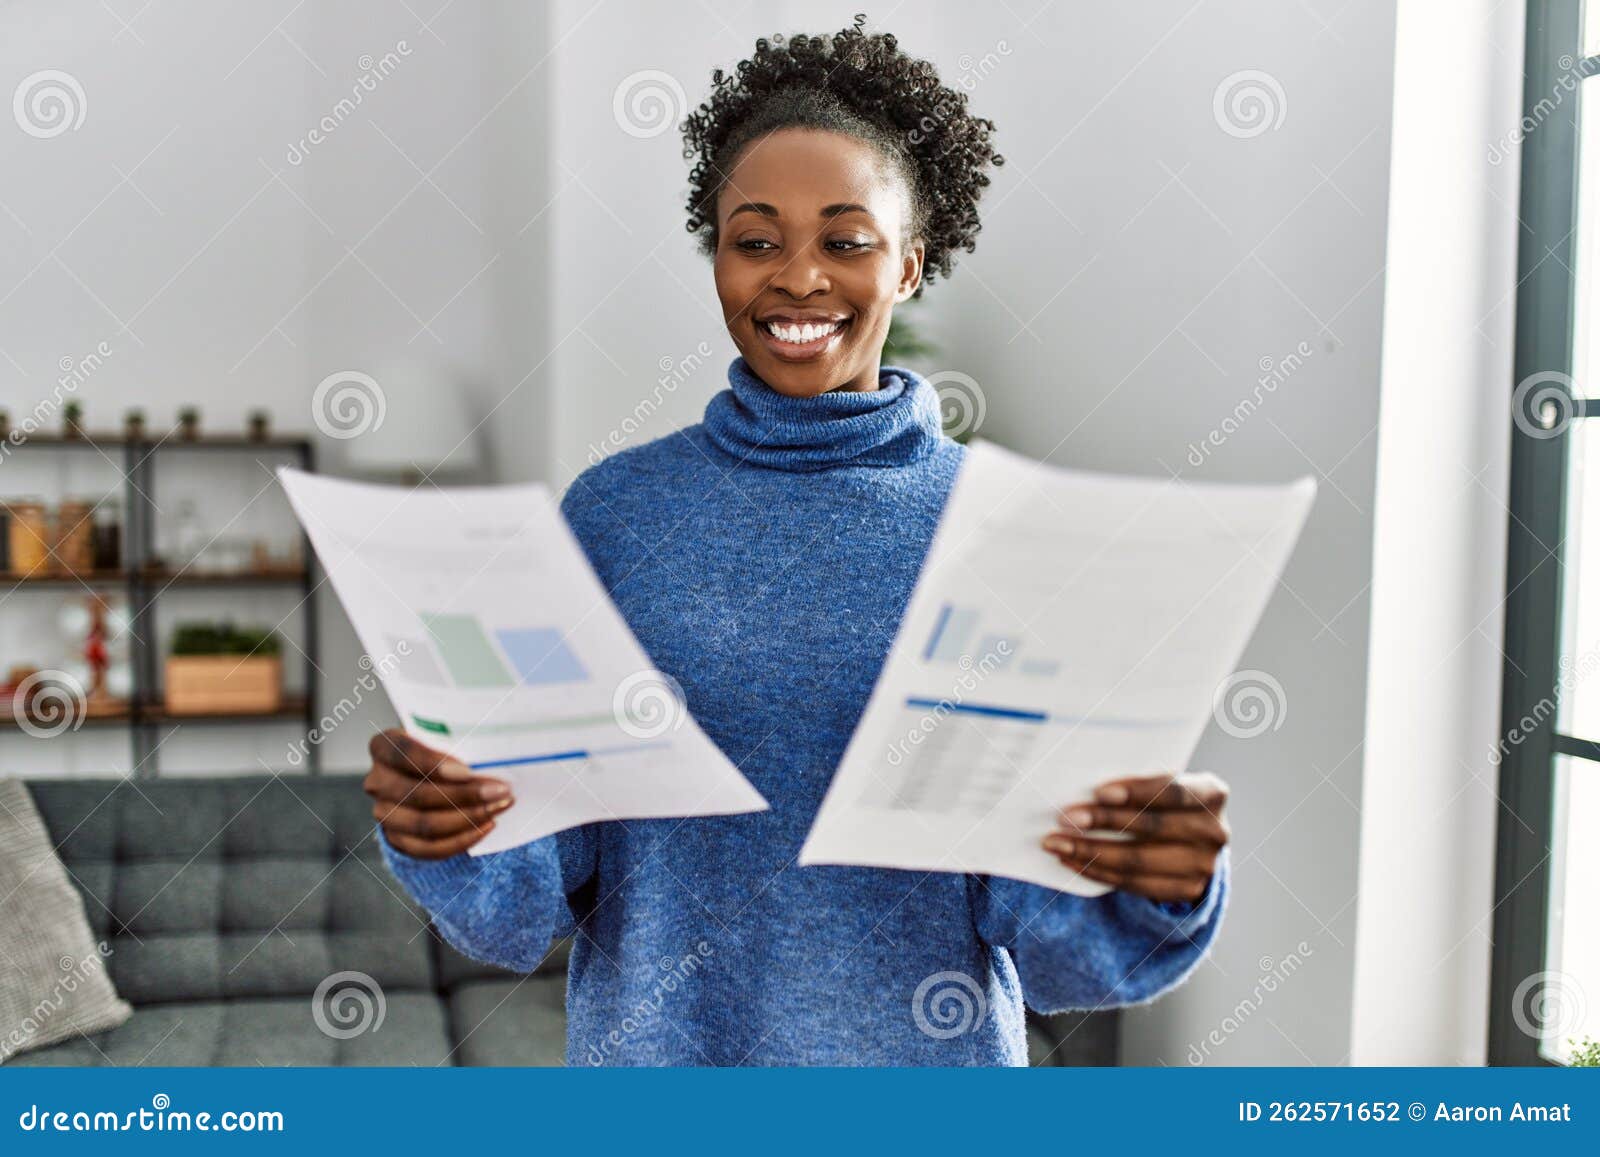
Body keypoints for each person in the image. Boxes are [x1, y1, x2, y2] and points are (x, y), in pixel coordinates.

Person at [366, 15, 1230, 1066]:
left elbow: (1057, 947)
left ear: (910, 265)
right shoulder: (615, 516)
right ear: (719, 257)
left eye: (846, 239)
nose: (798, 278)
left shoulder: (1000, 533)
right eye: (757, 238)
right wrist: (445, 827)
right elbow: (528, 895)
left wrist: (1157, 876)